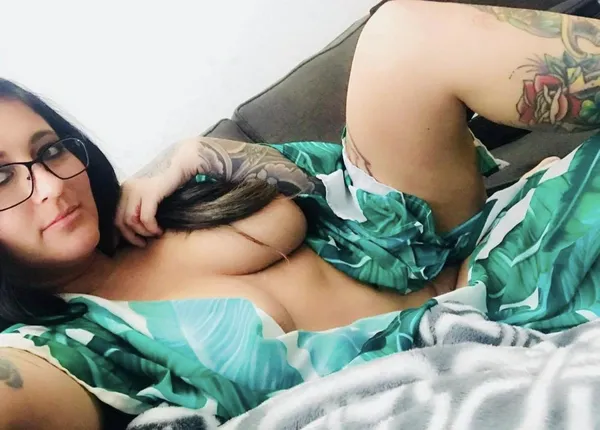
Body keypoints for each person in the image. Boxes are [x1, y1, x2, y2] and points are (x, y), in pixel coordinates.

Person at [1, 1, 600, 427]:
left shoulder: (149, 206)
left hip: (411, 239)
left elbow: (303, 184)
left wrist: (197, 154)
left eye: (49, 150)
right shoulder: (65, 348)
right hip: (445, 332)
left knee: (401, 33)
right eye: (1, 177)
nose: (49, 186)